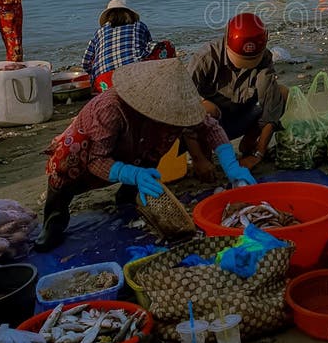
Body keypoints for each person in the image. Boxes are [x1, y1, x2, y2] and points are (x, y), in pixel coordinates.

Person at [35, 58, 252, 252]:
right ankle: (53, 221)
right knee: (67, 162)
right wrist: (131, 173)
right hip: (86, 154)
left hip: (137, 150)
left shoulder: (179, 105)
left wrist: (231, 166)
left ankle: (127, 197)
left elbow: (210, 128)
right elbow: (96, 159)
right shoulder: (109, 108)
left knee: (152, 154)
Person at [188, 13, 287, 171]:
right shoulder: (205, 59)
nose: (245, 66)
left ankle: (249, 145)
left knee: (281, 93)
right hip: (211, 125)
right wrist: (198, 158)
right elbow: (182, 109)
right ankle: (203, 154)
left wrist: (258, 155)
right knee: (207, 109)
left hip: (241, 118)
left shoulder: (264, 59)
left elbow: (271, 107)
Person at [81, 0, 176, 92]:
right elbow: (149, 48)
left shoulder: (99, 33)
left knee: (95, 58)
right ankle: (170, 79)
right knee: (167, 46)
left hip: (104, 84)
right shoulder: (138, 25)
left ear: (108, 17)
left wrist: (95, 71)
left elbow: (85, 64)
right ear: (130, 14)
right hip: (133, 77)